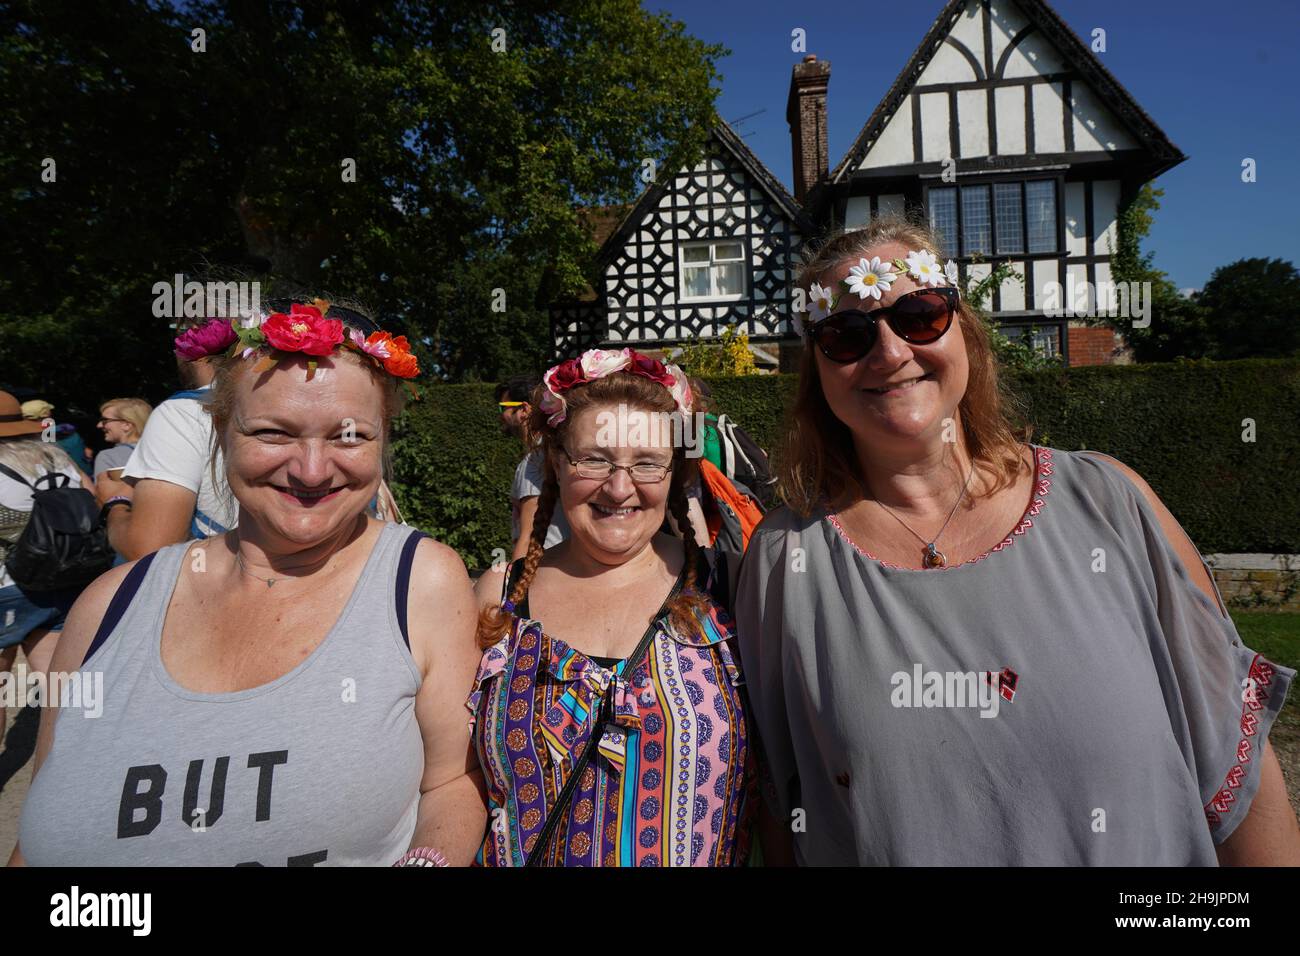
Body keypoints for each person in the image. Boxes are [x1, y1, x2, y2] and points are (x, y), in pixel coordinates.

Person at [735, 216, 1300, 866]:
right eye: (846, 335)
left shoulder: (1108, 503)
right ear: (819, 371)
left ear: (965, 333)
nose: (889, 353)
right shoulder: (786, 560)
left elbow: (1237, 767)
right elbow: (781, 810)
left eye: (919, 315)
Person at [12, 302, 485, 866]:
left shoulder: (421, 582)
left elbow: (451, 783)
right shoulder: (112, 603)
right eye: (271, 432)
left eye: (350, 436)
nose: (311, 470)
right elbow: (38, 834)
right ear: (220, 431)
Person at [470, 348, 755, 866]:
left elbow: (783, 795)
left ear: (675, 472)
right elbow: (455, 776)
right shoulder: (499, 597)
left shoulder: (731, 591)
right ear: (557, 462)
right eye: (594, 459)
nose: (619, 488)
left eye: (647, 463)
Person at [95, 322, 239, 560]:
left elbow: (151, 550)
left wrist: (114, 504)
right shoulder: (289, 398)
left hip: (219, 582)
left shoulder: (182, 413)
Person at [0, 391, 92, 741]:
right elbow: (91, 496)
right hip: (64, 579)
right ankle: (74, 764)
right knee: (60, 688)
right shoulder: (55, 456)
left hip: (7, 587)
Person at [497, 375, 568, 561]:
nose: (500, 415)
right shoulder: (552, 450)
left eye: (503, 408)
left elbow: (529, 535)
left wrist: (515, 584)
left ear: (524, 409)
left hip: (541, 564)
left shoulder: (534, 461)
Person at [92, 397, 152, 498]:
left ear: (127, 425)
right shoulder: (163, 451)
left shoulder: (107, 456)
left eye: (105, 420)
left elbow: (105, 498)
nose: (99, 425)